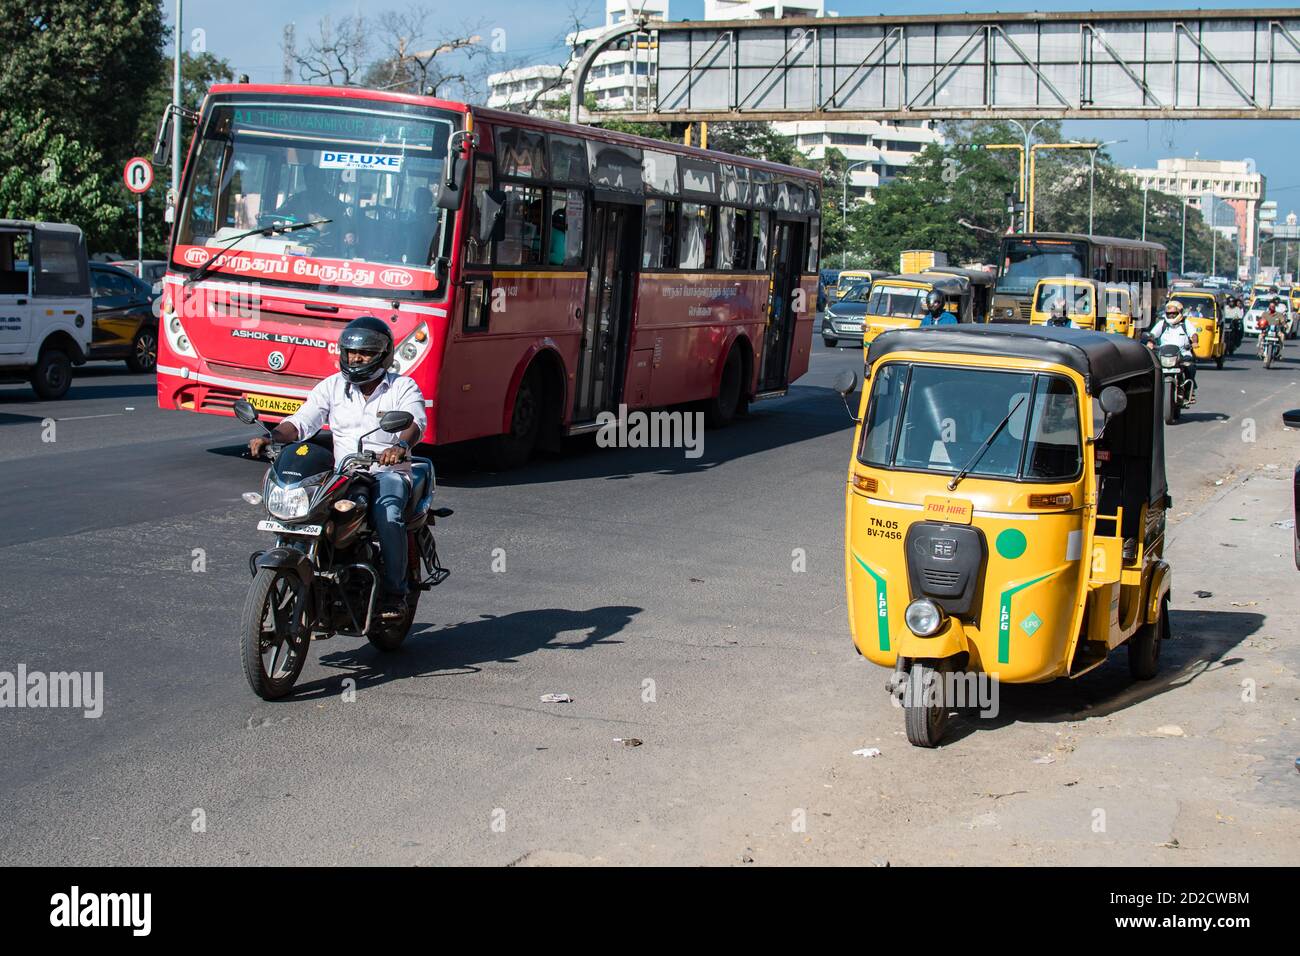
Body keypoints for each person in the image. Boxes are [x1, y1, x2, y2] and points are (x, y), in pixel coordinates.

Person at [248, 316, 426, 617]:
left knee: (389, 514)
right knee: (308, 511)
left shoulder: (402, 387)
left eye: (366, 353)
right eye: (351, 352)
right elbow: (303, 420)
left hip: (385, 472)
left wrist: (400, 447)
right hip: (343, 473)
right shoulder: (332, 386)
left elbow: (415, 422)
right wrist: (273, 437)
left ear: (383, 355)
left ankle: (396, 592)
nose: (356, 358)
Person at [274, 163, 355, 256]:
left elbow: (347, 227)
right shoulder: (296, 200)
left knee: (292, 252)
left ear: (323, 180)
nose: (312, 183)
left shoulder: (335, 204)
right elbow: (278, 214)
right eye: (310, 179)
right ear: (306, 180)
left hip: (323, 247)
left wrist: (349, 235)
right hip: (295, 240)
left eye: (316, 179)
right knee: (275, 249)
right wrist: (267, 215)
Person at [1147, 300, 1199, 403]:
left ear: (1179, 313)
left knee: (1190, 366)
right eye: (1169, 313)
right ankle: (1152, 391)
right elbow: (1153, 334)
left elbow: (1193, 334)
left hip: (1183, 354)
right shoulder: (1162, 324)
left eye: (1173, 313)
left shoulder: (1185, 323)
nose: (1171, 316)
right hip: (1164, 355)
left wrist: (1194, 342)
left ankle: (1189, 391)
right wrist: (1150, 342)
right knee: (1151, 368)